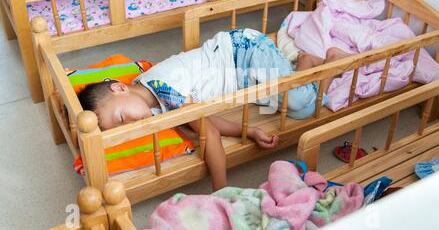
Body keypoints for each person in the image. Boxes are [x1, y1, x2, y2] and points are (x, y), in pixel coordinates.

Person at [78, 28, 351, 191]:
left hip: (243, 51)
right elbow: (202, 121)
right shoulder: (152, 106)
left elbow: (207, 131)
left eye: (123, 118)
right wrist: (251, 130)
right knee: (293, 108)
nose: (131, 124)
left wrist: (221, 190)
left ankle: (331, 61)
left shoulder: (160, 85)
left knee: (300, 104)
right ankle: (306, 64)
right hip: (243, 80)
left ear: (119, 88)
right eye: (123, 127)